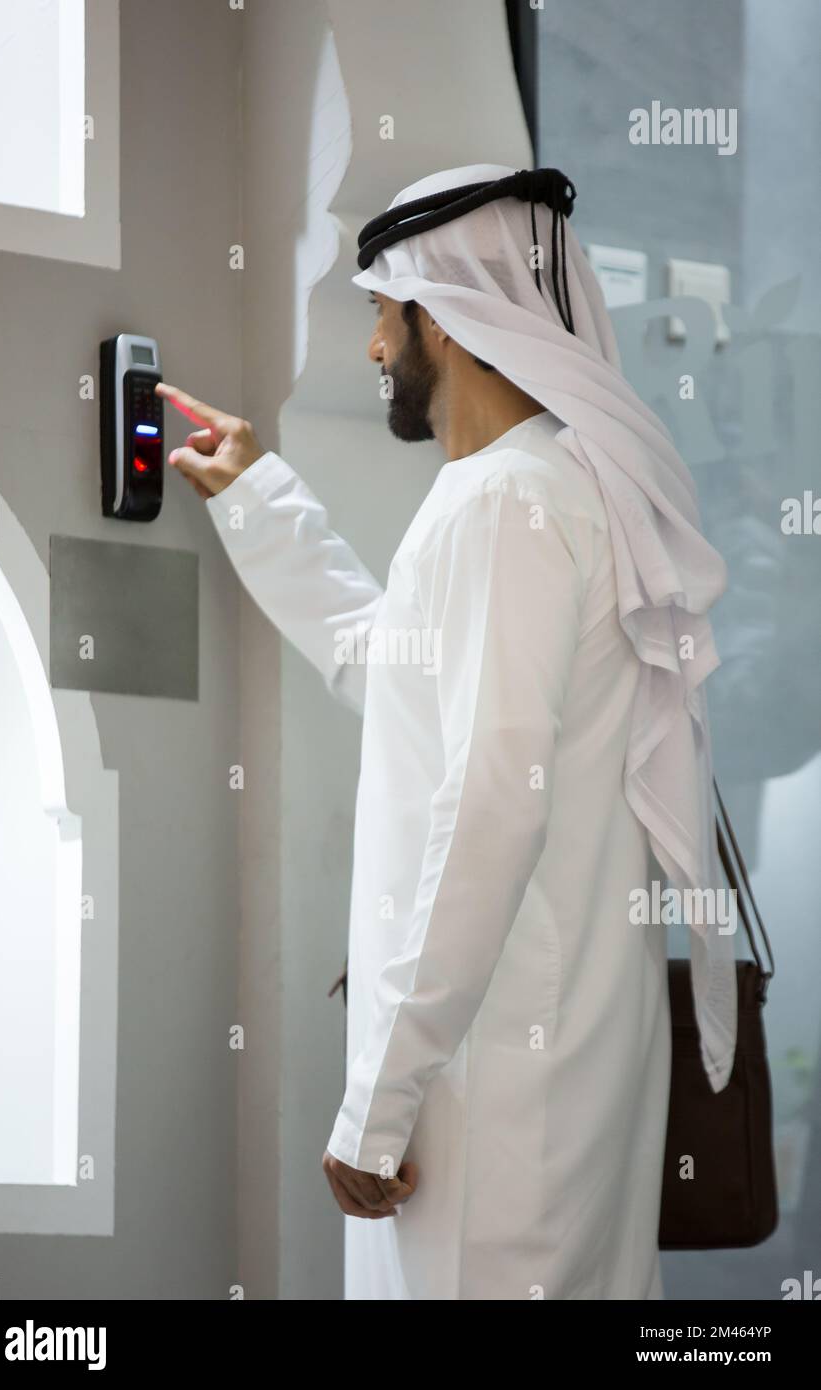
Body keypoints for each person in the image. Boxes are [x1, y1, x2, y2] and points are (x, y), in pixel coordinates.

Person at [155, 164, 736, 1301]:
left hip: (496, 1083)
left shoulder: (502, 506)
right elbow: (402, 673)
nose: (375, 349)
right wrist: (255, 499)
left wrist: (378, 1103)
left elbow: (486, 810)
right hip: (537, 1058)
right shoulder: (543, 490)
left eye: (381, 313)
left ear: (447, 319)